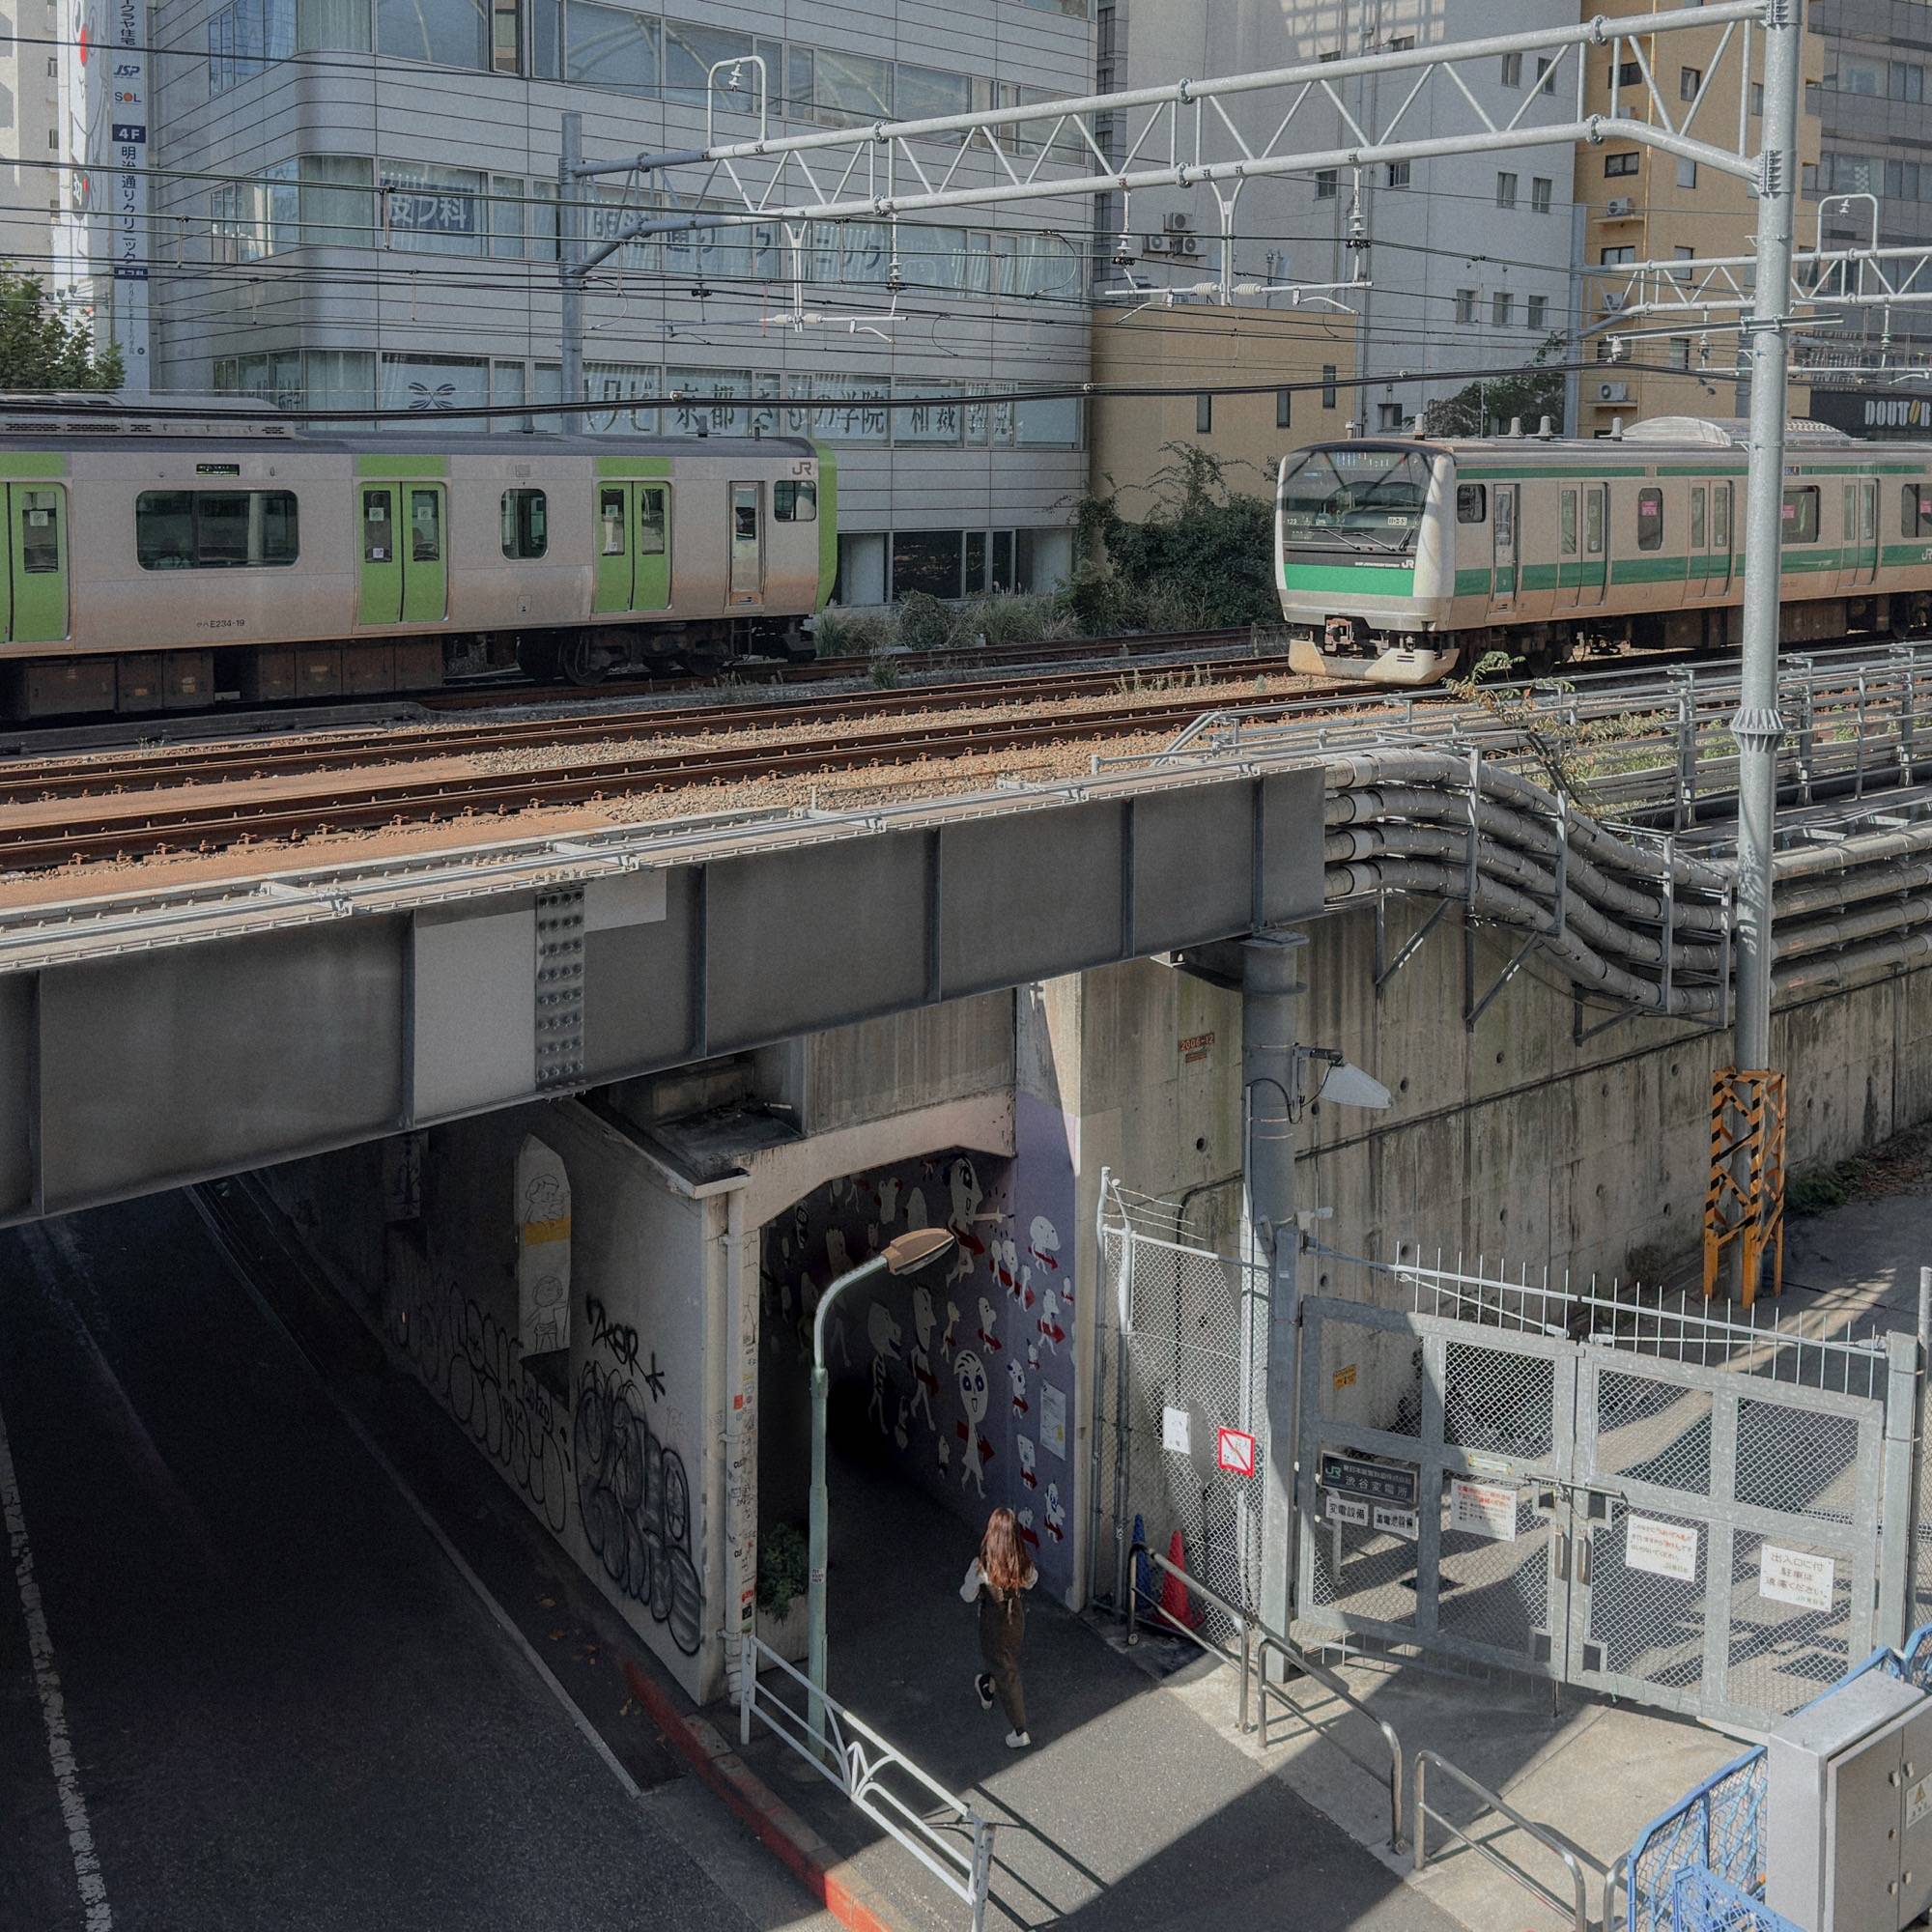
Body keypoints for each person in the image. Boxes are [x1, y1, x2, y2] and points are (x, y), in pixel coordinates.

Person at [960, 1506, 1037, 1747]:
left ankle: (1020, 1730)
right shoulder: (1021, 1562)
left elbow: (966, 1595)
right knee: (1004, 1661)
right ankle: (986, 1684)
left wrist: (978, 1582)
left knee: (1007, 1672)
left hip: (992, 1626)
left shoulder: (981, 1567)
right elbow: (1032, 1581)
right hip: (1016, 1620)